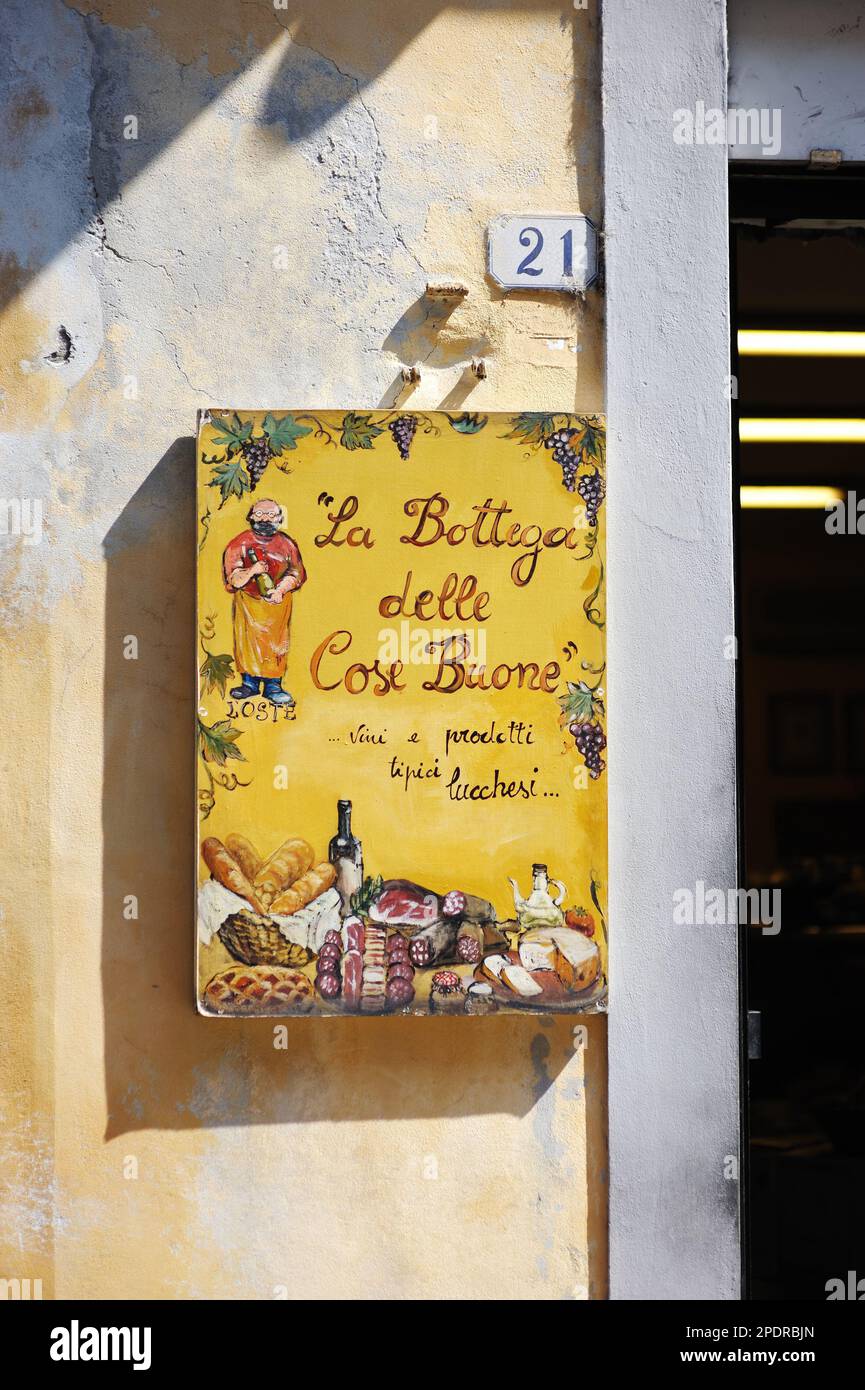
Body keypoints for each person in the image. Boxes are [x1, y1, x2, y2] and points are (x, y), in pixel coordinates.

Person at [222, 498, 306, 707]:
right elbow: (233, 578)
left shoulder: (286, 544)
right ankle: (249, 684)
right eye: (260, 514)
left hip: (277, 604)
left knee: (276, 644)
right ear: (251, 516)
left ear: (279, 518)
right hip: (248, 603)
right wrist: (252, 571)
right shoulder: (238, 544)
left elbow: (296, 573)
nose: (265, 519)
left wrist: (280, 590)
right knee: (247, 642)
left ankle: (273, 686)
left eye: (271, 515)